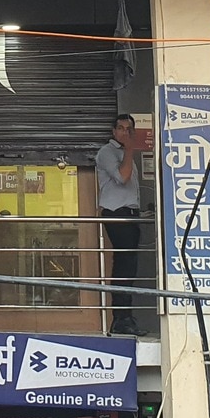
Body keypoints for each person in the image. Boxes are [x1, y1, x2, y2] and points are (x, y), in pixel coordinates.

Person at [96, 113, 144, 335]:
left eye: (129, 129)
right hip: (117, 214)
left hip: (130, 214)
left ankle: (125, 317)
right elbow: (122, 177)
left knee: (129, 267)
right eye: (121, 128)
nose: (125, 133)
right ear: (114, 131)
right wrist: (130, 149)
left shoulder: (126, 153)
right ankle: (120, 319)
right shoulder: (108, 152)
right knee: (123, 266)